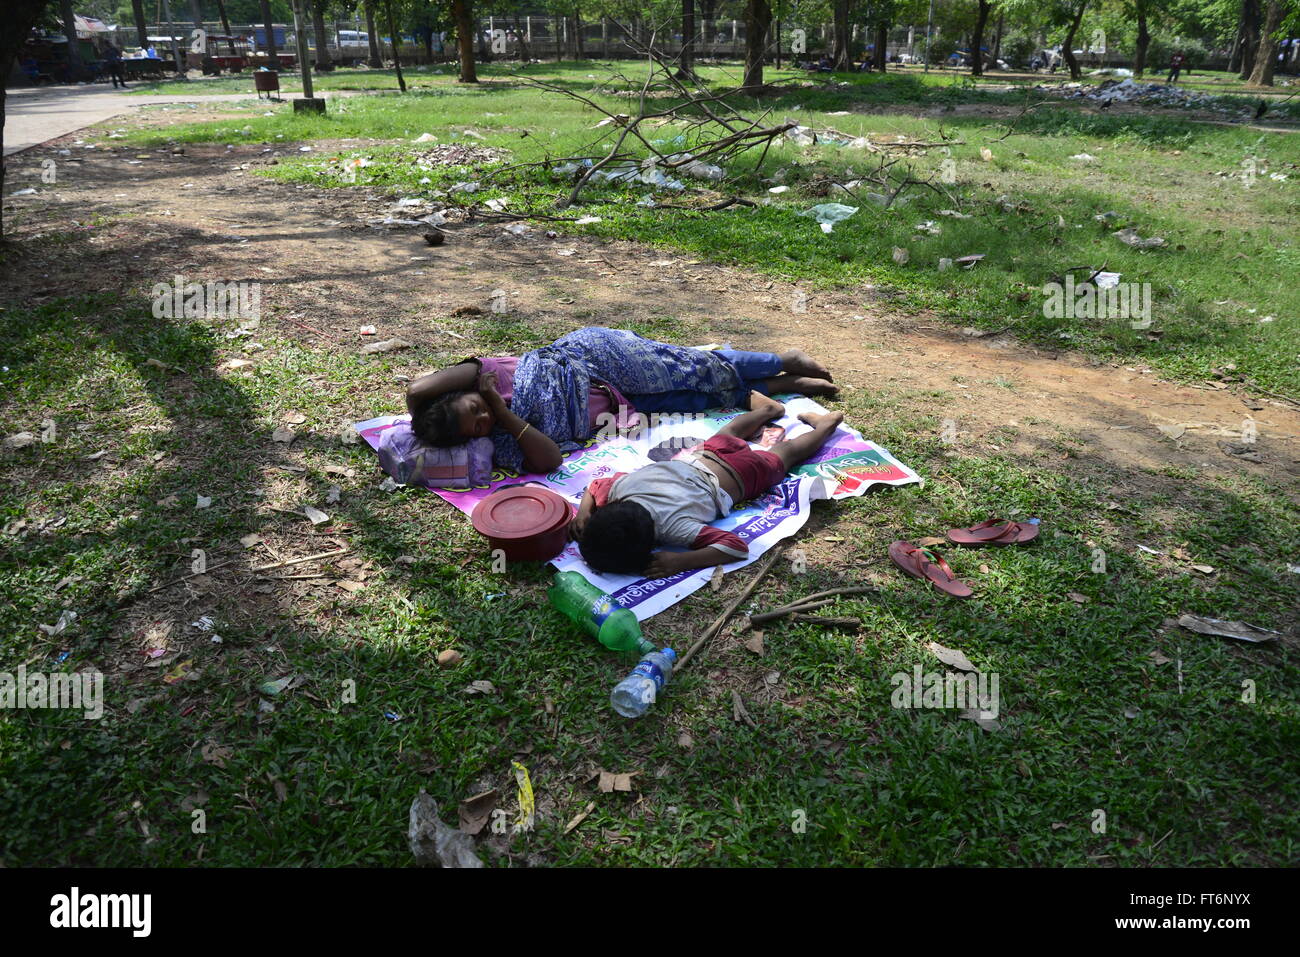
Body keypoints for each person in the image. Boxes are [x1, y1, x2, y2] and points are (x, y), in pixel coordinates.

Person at [405, 327, 837, 474]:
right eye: (477, 425)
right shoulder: (500, 439)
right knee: (697, 397)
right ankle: (785, 385)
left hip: (598, 357)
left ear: (462, 392)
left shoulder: (485, 374)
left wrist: (425, 410)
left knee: (688, 364)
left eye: (475, 408)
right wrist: (499, 415)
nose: (483, 416)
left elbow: (416, 390)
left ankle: (780, 359)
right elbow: (550, 460)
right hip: (619, 406)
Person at [574, 393, 843, 578]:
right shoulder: (620, 490)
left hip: (743, 476)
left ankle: (825, 426)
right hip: (705, 454)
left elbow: (736, 547)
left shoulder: (673, 529)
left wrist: (681, 561)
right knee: (728, 434)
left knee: (789, 452)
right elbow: (597, 485)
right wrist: (585, 511)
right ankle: (768, 411)